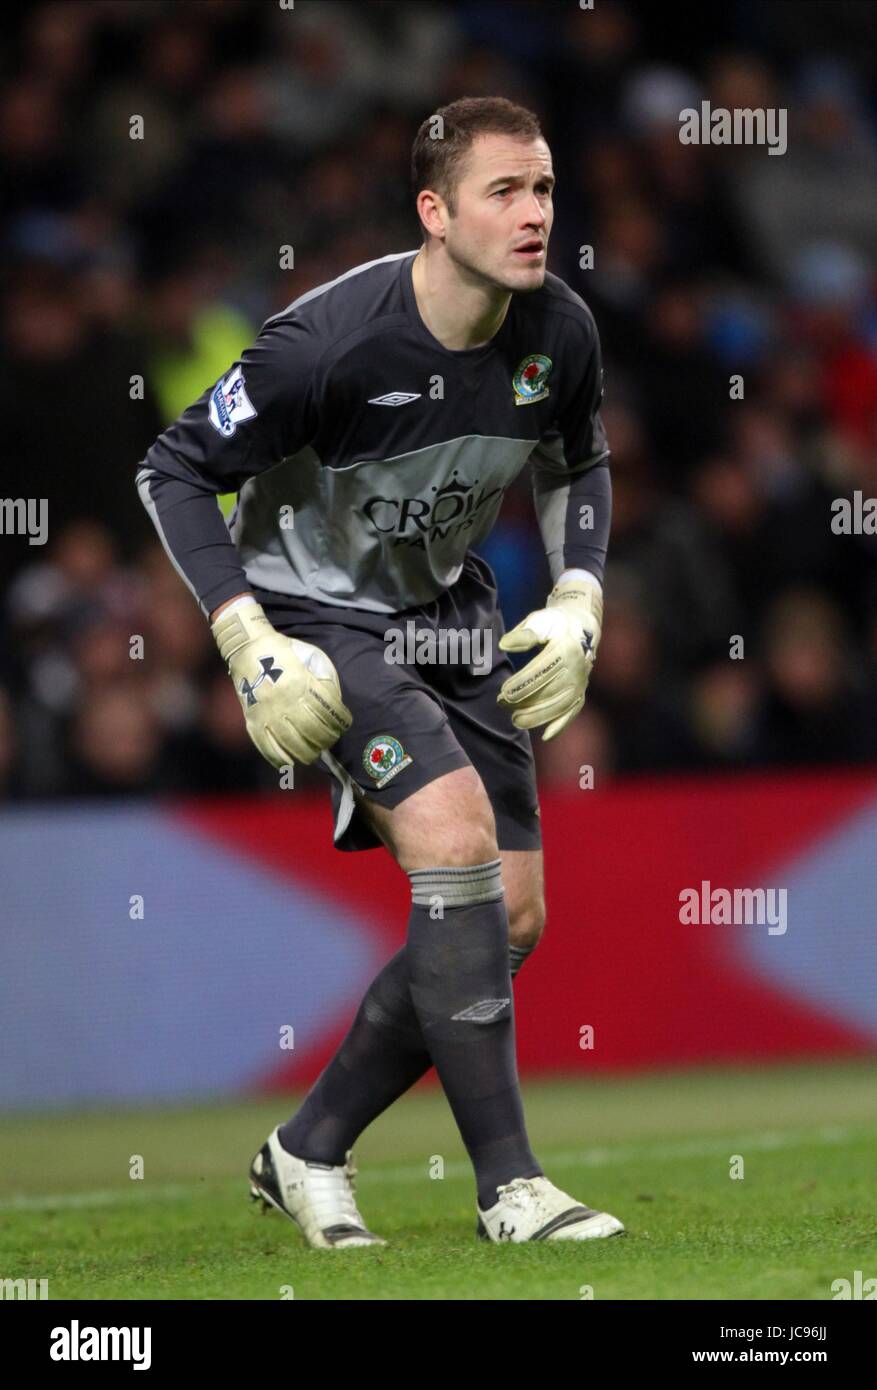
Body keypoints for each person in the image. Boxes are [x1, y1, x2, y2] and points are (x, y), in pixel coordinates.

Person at [136, 96, 621, 1246]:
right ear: (433, 211)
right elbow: (171, 469)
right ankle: (511, 1186)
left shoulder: (561, 330)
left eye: (544, 187)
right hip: (318, 617)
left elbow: (579, 459)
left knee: (506, 916)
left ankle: (303, 1148)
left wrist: (580, 593)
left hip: (450, 616)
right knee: (450, 847)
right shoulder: (328, 344)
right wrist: (248, 641)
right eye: (504, 190)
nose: (534, 211)